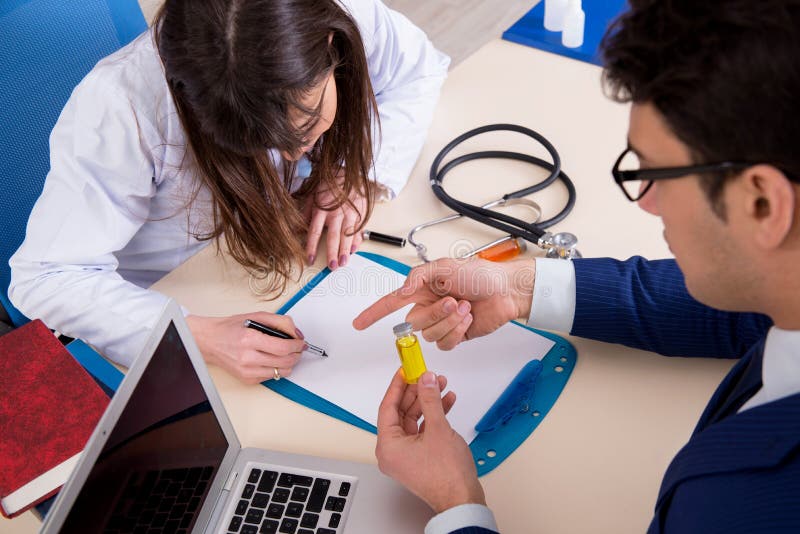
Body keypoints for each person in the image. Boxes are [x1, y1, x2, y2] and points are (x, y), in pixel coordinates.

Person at [355, 0, 800, 532]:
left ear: (763, 204)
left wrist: (458, 506)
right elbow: (750, 308)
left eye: (657, 173)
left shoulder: (750, 507)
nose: (645, 203)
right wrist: (516, 288)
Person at [8, 0, 449, 383]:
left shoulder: (329, 13)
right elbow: (47, 277)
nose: (298, 151)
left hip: (284, 265)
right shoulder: (122, 106)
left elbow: (418, 69)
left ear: (330, 43)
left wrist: (352, 177)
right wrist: (197, 335)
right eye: (263, 142)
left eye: (309, 122)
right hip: (182, 295)